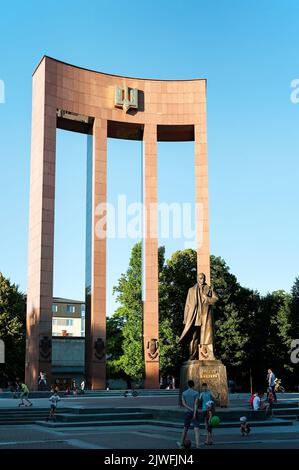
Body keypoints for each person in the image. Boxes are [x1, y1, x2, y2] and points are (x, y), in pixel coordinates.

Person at [179, 273, 218, 360]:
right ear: (197, 279)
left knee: (207, 335)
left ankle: (208, 355)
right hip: (194, 316)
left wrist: (207, 299)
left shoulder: (209, 288)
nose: (202, 280)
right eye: (200, 278)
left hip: (205, 315)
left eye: (203, 278)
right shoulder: (191, 290)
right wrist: (185, 318)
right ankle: (192, 356)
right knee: (194, 337)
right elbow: (187, 305)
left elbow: (216, 299)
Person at [177, 380, 200, 449]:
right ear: (194, 385)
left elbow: (184, 404)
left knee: (185, 428)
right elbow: (196, 404)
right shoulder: (196, 393)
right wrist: (194, 412)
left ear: (188, 385)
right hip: (195, 412)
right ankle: (197, 445)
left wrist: (190, 409)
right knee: (196, 429)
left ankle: (181, 444)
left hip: (187, 412)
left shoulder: (184, 393)